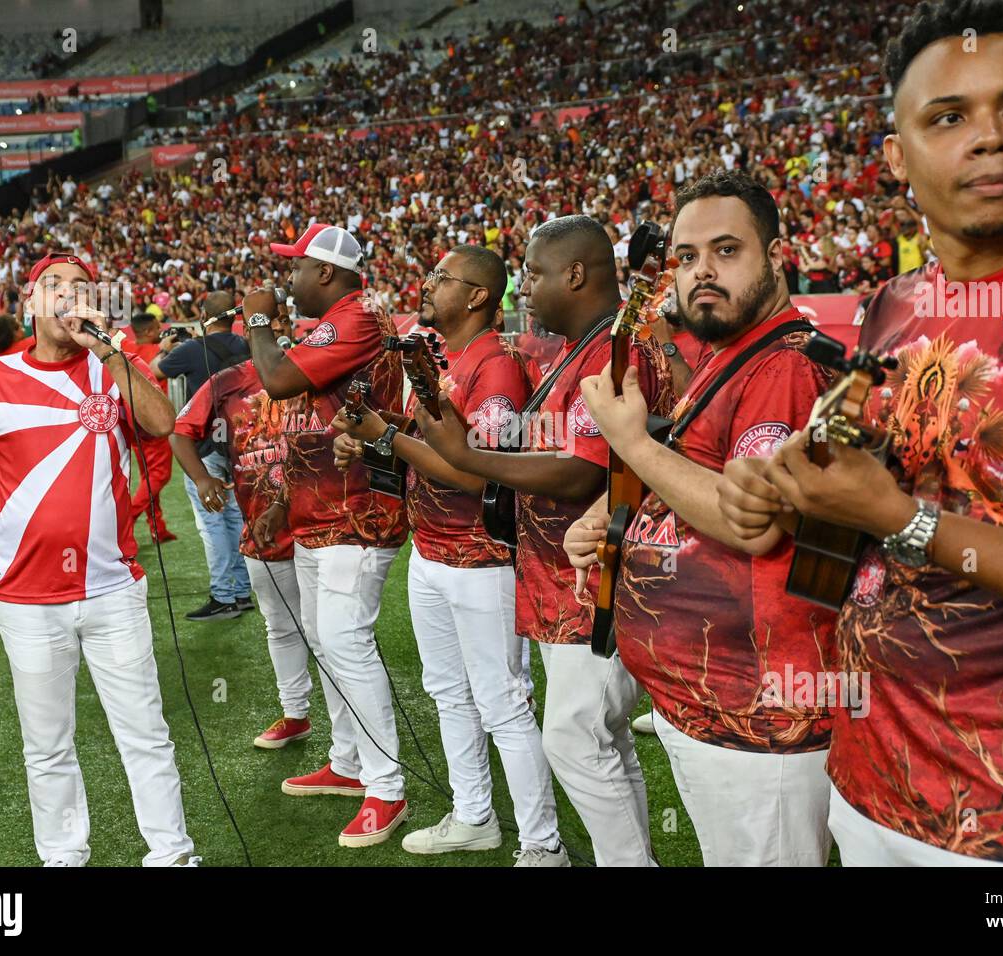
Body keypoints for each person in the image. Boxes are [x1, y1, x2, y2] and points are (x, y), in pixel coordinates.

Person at [718, 0, 1003, 866]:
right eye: (949, 116)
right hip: (867, 783)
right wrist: (778, 480)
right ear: (897, 156)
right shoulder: (891, 304)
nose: (992, 137)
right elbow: (849, 470)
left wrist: (901, 520)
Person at [565, 170, 837, 866]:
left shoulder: (785, 365)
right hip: (713, 705)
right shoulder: (731, 357)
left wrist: (626, 442)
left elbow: (754, 521)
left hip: (758, 716)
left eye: (726, 251)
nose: (701, 272)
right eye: (686, 257)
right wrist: (614, 516)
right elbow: (690, 470)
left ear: (777, 256)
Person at [0, 252, 197, 866]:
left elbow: (161, 421)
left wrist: (112, 351)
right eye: (54, 286)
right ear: (30, 304)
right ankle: (64, 857)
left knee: (144, 734)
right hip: (24, 598)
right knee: (47, 745)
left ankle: (171, 856)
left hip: (111, 589)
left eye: (82, 288)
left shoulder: (114, 367)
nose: (68, 295)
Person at [417, 215, 675, 866]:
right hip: (566, 582)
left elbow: (581, 469)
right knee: (598, 741)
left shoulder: (615, 352)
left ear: (576, 273)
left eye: (533, 273)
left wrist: (472, 459)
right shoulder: (581, 348)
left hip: (599, 582)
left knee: (574, 738)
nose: (523, 289)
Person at [333, 245, 567, 866]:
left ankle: (543, 845)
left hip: (483, 559)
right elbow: (429, 444)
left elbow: (482, 475)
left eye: (443, 277)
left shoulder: (496, 366)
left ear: (477, 297)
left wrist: (383, 436)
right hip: (432, 551)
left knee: (503, 703)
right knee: (448, 694)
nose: (428, 284)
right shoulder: (444, 357)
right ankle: (474, 817)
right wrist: (377, 433)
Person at [242, 223, 411, 848]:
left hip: (356, 513)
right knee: (322, 637)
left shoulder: (357, 315)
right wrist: (287, 500)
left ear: (326, 272)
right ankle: (348, 761)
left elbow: (279, 380)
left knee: (345, 641)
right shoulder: (343, 316)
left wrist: (257, 323)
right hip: (322, 508)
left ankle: (386, 787)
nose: (286, 283)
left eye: (295, 270)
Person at [170, 308, 315, 750]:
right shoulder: (228, 381)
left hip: (321, 526)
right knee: (280, 625)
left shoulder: (318, 370)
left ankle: (350, 744)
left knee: (330, 635)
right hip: (262, 529)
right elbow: (180, 431)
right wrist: (201, 477)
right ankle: (296, 713)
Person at [155, 293, 251, 619]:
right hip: (239, 444)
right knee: (235, 519)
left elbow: (159, 368)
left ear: (204, 314)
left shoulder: (192, 349)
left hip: (205, 445)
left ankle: (224, 596)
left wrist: (169, 346)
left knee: (212, 524)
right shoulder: (244, 344)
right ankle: (242, 591)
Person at [125, 311, 176, 543]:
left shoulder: (127, 350)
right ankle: (127, 519)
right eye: (156, 328)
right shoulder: (156, 353)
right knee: (159, 475)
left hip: (134, 424)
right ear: (148, 332)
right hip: (153, 424)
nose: (159, 331)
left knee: (148, 478)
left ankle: (157, 527)